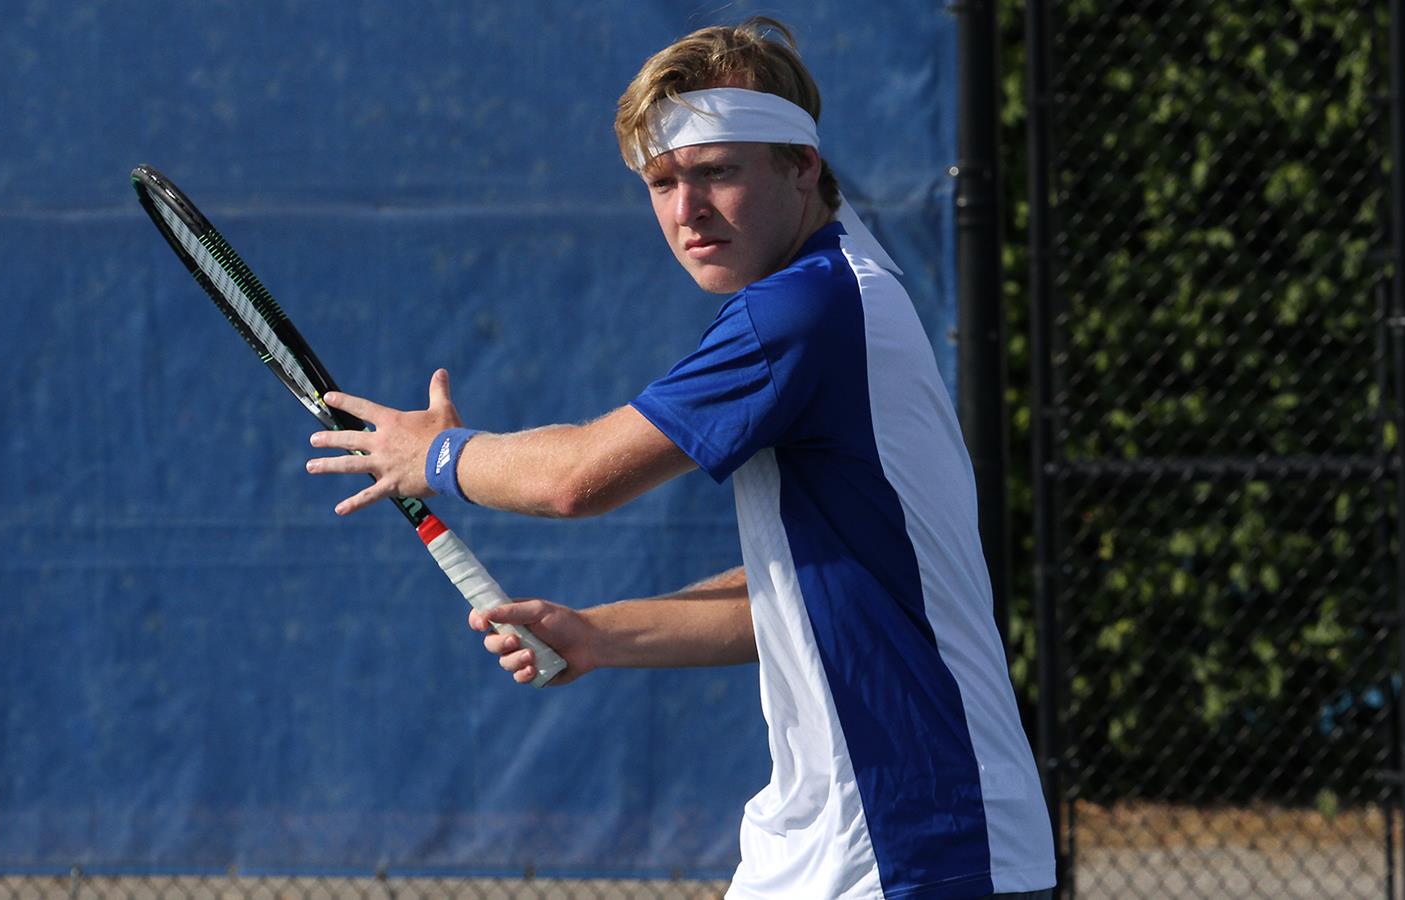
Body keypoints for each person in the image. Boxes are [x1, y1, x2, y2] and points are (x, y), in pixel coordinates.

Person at [304, 17, 1056, 900]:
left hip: (917, 847)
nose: (684, 210)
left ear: (801, 166)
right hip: (843, 847)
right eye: (661, 181)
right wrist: (598, 635)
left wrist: (434, 455)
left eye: (714, 173)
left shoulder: (804, 310)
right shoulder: (851, 282)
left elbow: (576, 479)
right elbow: (795, 600)